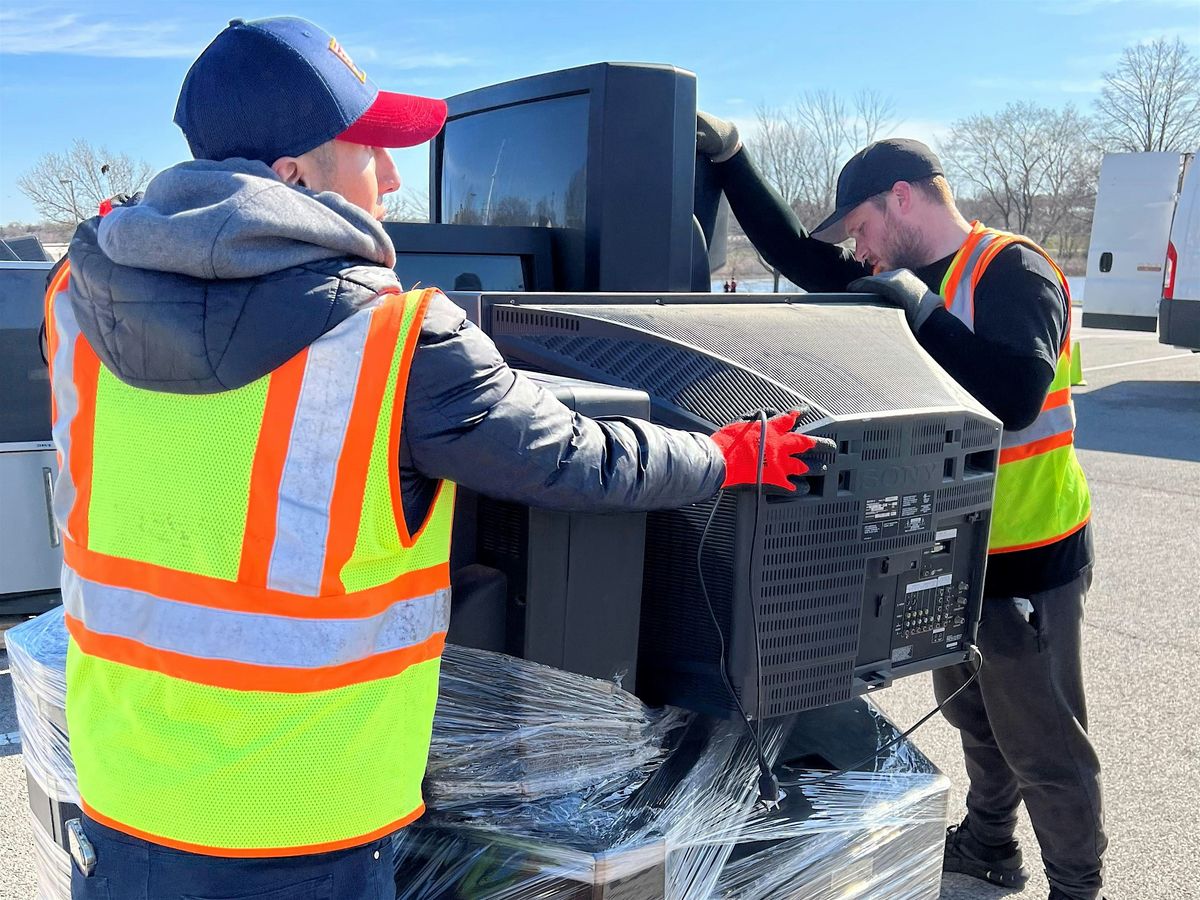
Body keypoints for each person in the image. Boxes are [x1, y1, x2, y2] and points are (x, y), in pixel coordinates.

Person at [43, 20, 833, 900]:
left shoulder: (76, 304)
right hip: (307, 827)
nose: (390, 177)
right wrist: (725, 454)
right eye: (368, 150)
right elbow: (576, 457)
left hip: (122, 797)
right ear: (293, 178)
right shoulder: (395, 339)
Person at [697, 113, 1104, 900]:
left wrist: (922, 313)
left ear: (902, 199)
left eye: (861, 229)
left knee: (1045, 746)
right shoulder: (901, 281)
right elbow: (792, 256)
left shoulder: (1012, 271)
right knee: (975, 720)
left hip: (1029, 560)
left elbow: (1017, 396)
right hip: (949, 551)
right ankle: (991, 845)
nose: (859, 253)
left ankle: (1077, 885)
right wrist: (734, 157)